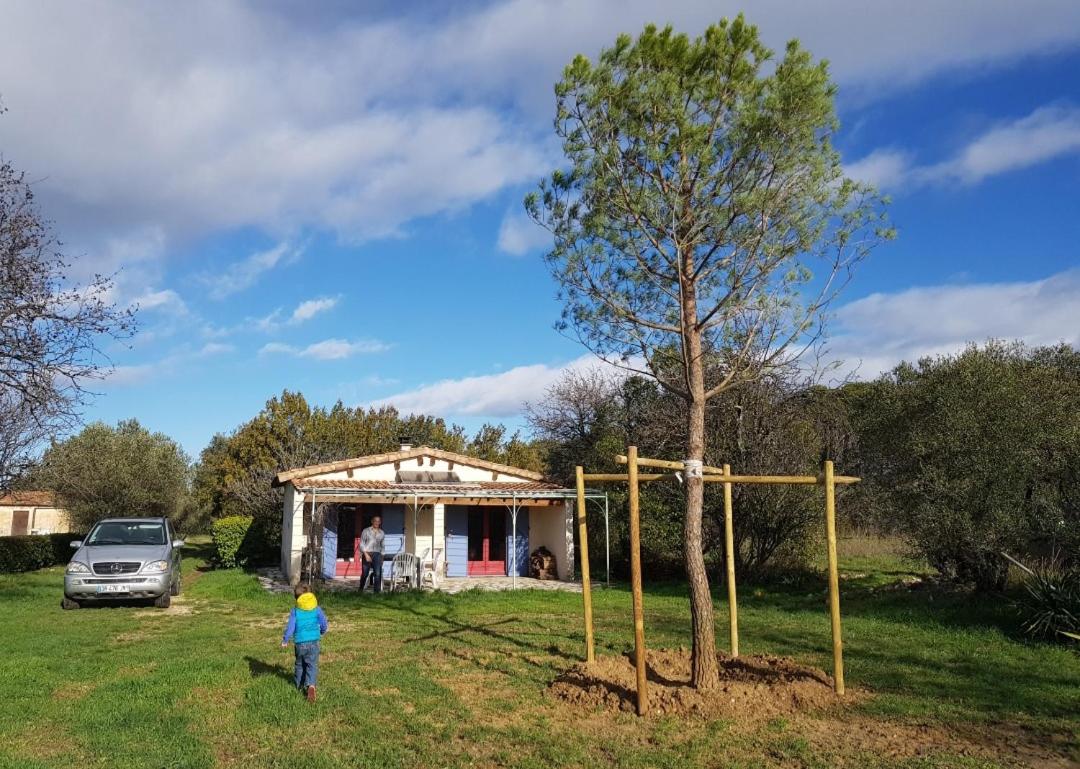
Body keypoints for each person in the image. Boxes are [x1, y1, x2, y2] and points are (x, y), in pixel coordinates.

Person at [281, 583, 328, 702]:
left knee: (299, 665)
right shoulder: (317, 609)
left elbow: (291, 627)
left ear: (297, 599)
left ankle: (298, 686)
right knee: (312, 665)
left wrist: (286, 639)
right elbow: (323, 622)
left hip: (300, 643)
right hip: (314, 642)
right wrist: (322, 631)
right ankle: (311, 685)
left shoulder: (295, 611)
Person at [359, 514, 385, 593]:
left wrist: (382, 557)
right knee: (365, 574)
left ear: (380, 522)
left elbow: (382, 545)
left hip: (377, 555)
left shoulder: (382, 533)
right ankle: (360, 590)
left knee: (377, 574)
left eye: (378, 521)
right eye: (375, 521)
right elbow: (362, 544)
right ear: (372, 521)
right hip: (367, 553)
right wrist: (366, 554)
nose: (377, 523)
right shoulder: (366, 531)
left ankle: (376, 592)